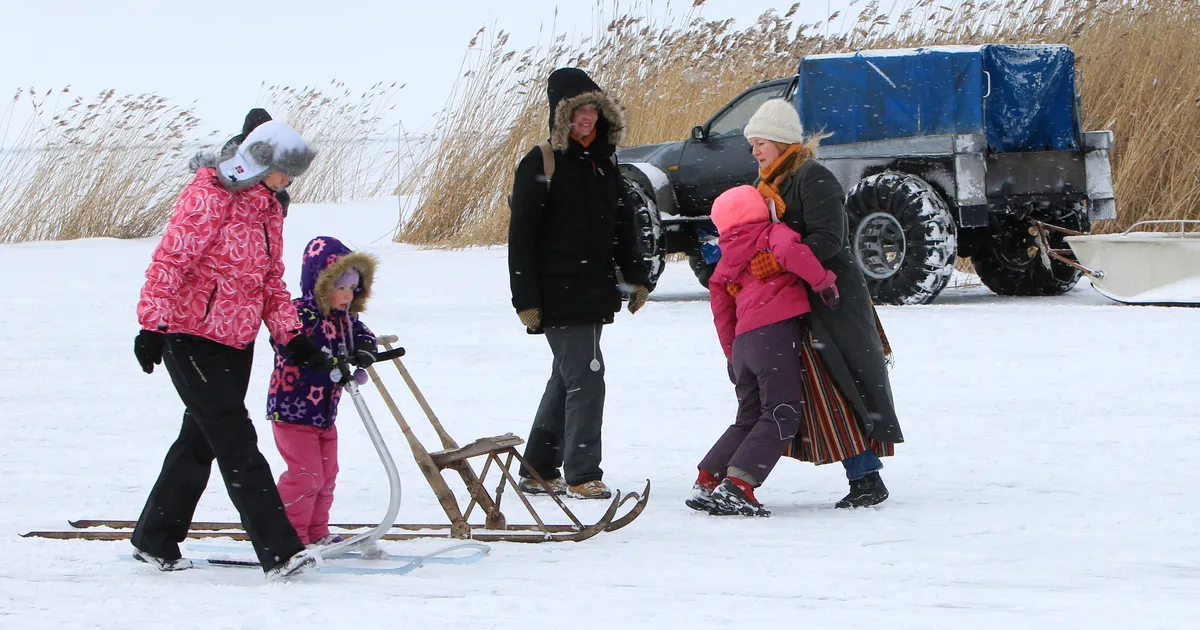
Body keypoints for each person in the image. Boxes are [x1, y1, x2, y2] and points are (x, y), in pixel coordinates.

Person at [131, 120, 328, 579]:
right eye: (284, 170)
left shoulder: (269, 208)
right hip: (189, 335)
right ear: (258, 163)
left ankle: (154, 537)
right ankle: (280, 551)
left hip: (237, 340)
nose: (289, 180)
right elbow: (170, 261)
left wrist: (293, 338)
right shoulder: (209, 195)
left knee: (200, 440)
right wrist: (152, 325)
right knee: (238, 443)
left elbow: (270, 282)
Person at [710, 98, 903, 509]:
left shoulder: (813, 178)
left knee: (837, 384)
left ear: (782, 142)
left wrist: (778, 262)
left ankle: (865, 477)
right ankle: (863, 474)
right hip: (791, 300)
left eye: (761, 143)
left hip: (830, 299)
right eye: (752, 144)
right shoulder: (768, 183)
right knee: (819, 390)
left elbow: (829, 239)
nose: (755, 151)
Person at [507, 67, 650, 500]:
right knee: (587, 375)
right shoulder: (541, 161)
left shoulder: (605, 161)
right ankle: (583, 474)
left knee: (567, 376)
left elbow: (623, 224)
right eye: (577, 111)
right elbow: (522, 238)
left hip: (594, 289)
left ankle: (537, 468)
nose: (586, 117)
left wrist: (636, 278)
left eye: (592, 109)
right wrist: (526, 299)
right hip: (557, 292)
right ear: (560, 114)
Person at [686, 185, 840, 516]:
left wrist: (731, 354)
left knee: (749, 416)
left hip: (743, 342)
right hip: (774, 334)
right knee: (781, 412)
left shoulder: (726, 257)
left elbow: (721, 309)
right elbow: (793, 253)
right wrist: (823, 281)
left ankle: (708, 478)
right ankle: (739, 485)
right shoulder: (771, 234)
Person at [267, 236, 378, 547]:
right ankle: (290, 537)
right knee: (306, 476)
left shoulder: (345, 320)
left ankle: (317, 532)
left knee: (327, 476)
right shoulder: (300, 313)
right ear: (321, 284)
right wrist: (312, 355)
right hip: (292, 411)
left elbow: (363, 334)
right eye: (340, 288)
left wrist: (365, 350)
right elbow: (283, 338)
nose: (347, 296)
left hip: (325, 413)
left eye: (353, 288)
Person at [222, 108, 291, 216]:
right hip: (242, 190)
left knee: (282, 198)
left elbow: (285, 176)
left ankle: (273, 224)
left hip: (266, 186)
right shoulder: (235, 147)